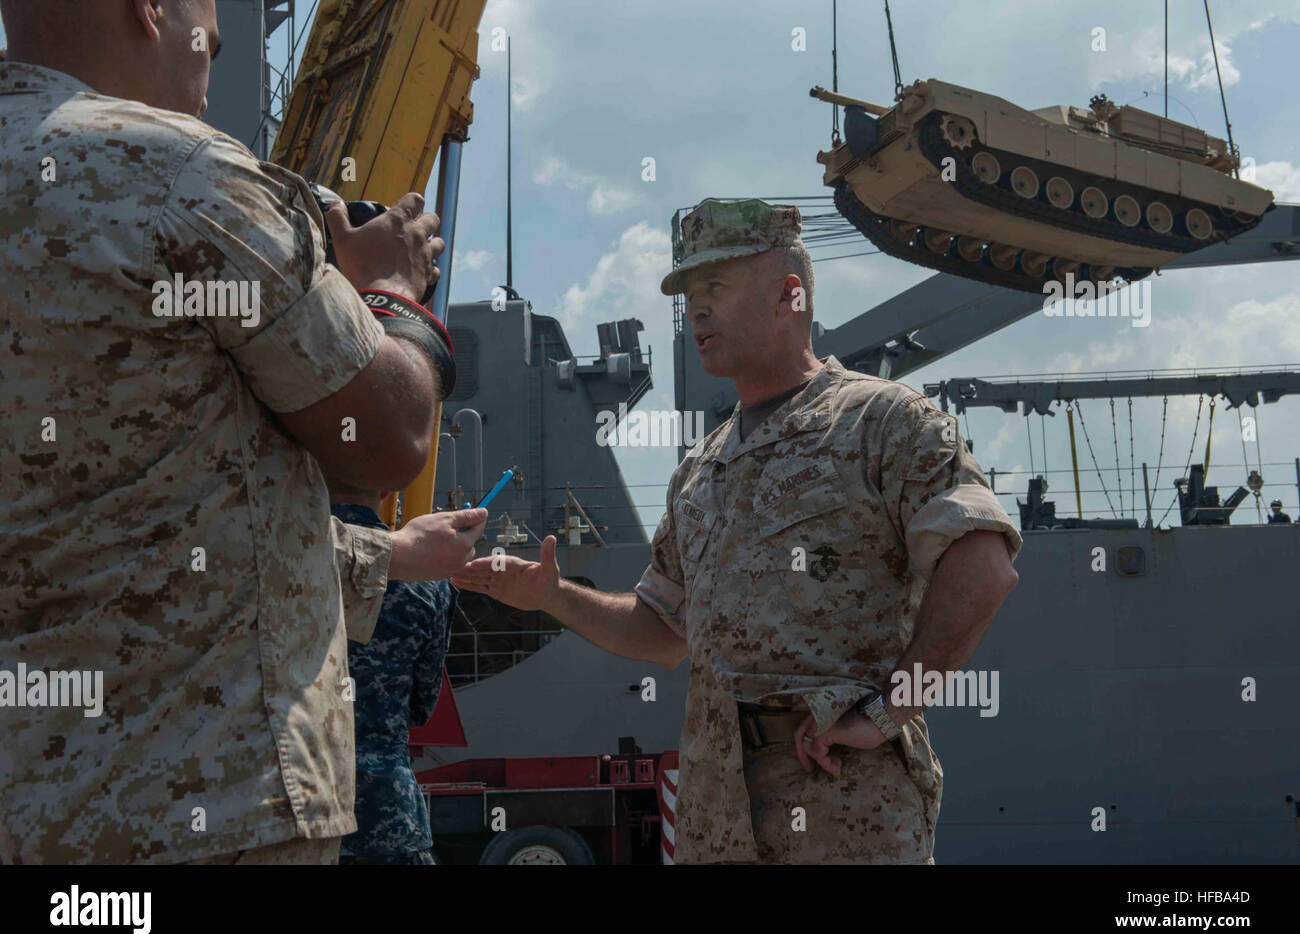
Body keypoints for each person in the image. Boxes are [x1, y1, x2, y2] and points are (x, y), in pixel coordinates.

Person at [0, 0, 485, 864]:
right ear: (151, 10)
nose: (208, 62)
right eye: (208, 35)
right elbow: (391, 432)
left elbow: (163, 525)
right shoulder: (181, 177)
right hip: (199, 814)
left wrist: (395, 556)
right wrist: (391, 291)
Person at [453, 199, 1021, 864]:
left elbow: (984, 567)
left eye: (715, 288)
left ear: (790, 294)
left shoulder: (884, 422)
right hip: (715, 816)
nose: (695, 309)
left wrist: (891, 711)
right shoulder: (700, 470)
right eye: (689, 294)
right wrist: (552, 595)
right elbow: (663, 631)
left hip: (847, 812)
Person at [328, 478, 459, 866]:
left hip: (294, 814)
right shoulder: (429, 582)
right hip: (388, 818)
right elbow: (420, 708)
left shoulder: (280, 559)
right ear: (387, 488)